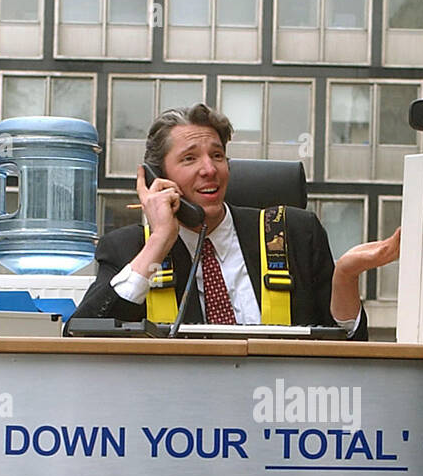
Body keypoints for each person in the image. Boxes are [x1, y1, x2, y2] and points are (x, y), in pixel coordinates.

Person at [72, 103, 399, 336]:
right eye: (189, 159)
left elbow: (348, 344)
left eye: (217, 155)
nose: (209, 169)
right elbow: (81, 336)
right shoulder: (129, 248)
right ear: (160, 176)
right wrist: (159, 242)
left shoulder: (296, 233)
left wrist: (345, 277)